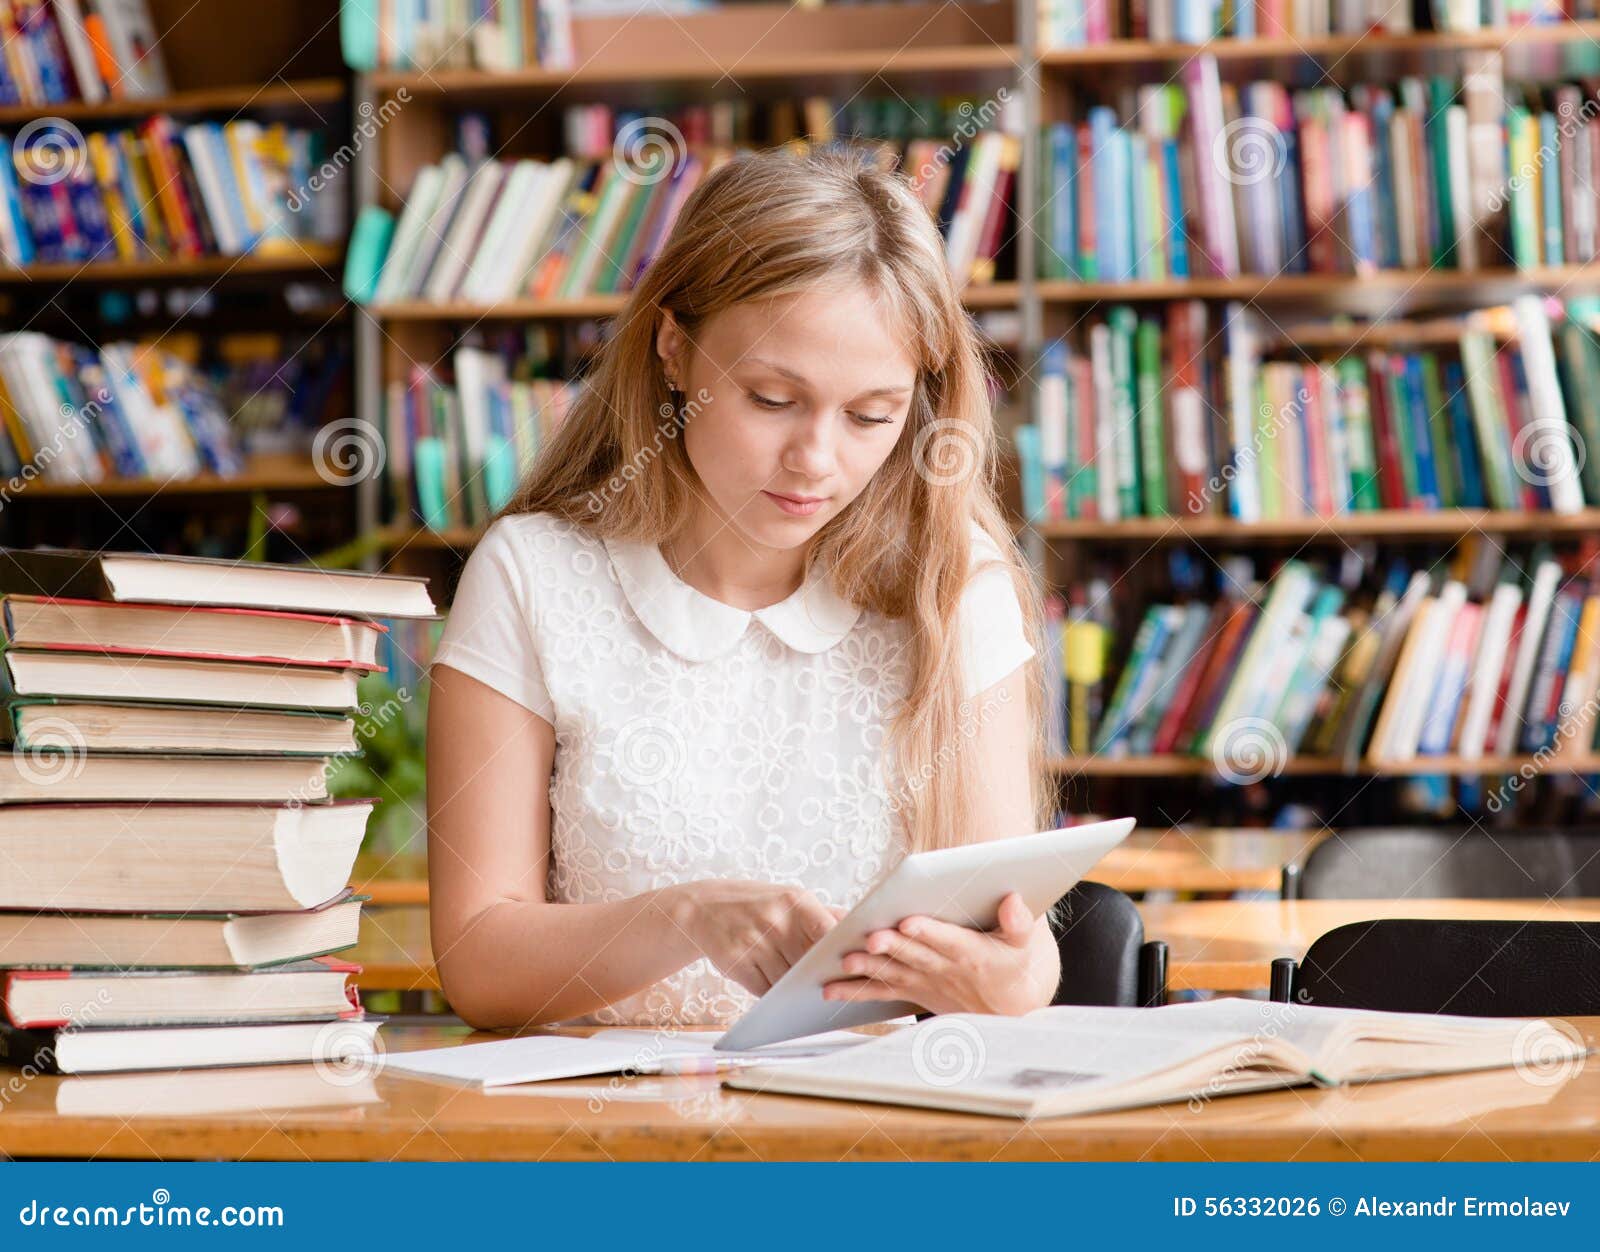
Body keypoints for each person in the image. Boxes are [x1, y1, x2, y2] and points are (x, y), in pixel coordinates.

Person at [425, 144, 1056, 1030]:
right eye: (770, 399)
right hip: (597, 1108)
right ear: (674, 350)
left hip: (873, 1105)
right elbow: (477, 962)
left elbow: (1022, 958)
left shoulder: (956, 586)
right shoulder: (533, 573)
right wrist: (684, 919)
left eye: (870, 415)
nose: (816, 460)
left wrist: (1007, 981)